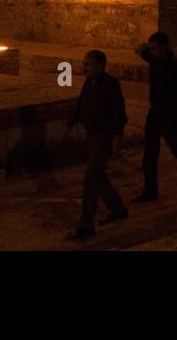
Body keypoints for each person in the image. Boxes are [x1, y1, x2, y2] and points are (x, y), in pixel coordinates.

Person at [133, 32, 177, 203]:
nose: (152, 51)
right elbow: (138, 48)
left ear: (164, 47)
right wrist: (150, 48)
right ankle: (150, 190)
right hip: (155, 110)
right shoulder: (153, 59)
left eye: (155, 48)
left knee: (176, 147)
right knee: (150, 152)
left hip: (171, 111)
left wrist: (170, 50)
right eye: (151, 48)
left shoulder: (173, 62)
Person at [65, 50, 128, 240]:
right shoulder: (89, 83)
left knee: (91, 181)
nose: (84, 68)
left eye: (88, 64)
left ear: (100, 66)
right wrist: (72, 122)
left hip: (104, 136)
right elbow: (82, 104)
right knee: (98, 177)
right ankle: (117, 209)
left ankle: (86, 226)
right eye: (84, 64)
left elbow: (119, 111)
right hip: (92, 136)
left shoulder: (110, 84)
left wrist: (118, 135)